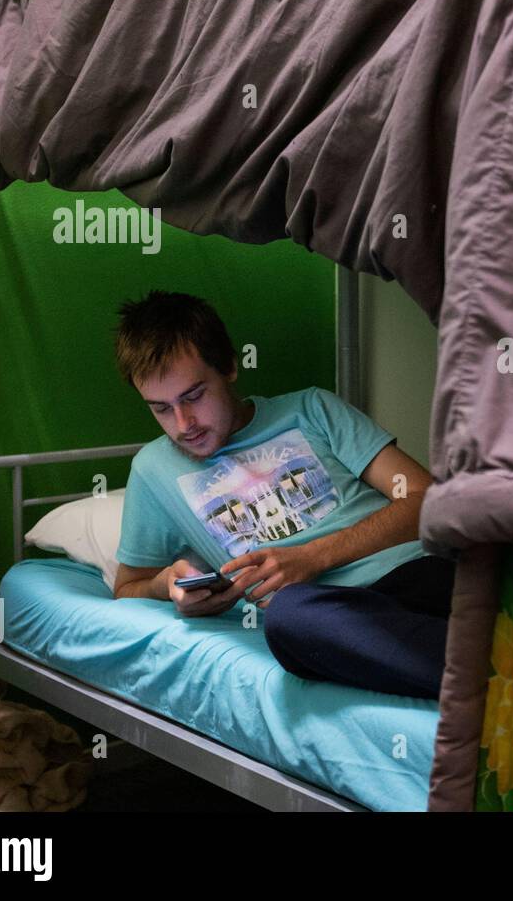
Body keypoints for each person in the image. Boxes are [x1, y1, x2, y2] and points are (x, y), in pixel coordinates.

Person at [109, 290, 453, 700]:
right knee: (289, 619)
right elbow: (128, 586)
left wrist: (315, 555)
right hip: (329, 612)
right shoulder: (153, 471)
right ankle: (489, 670)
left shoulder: (313, 409)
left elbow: (427, 497)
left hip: (419, 573)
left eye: (194, 396)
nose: (184, 424)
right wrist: (169, 584)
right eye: (161, 409)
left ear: (230, 367)